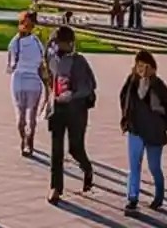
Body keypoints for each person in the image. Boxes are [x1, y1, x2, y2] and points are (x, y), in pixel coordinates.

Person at [118, 50, 167, 214]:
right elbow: (124, 99)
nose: (142, 70)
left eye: (145, 66)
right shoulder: (131, 82)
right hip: (135, 130)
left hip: (153, 133)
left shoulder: (159, 86)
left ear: (152, 68)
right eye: (139, 66)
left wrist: (161, 123)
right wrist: (127, 119)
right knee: (134, 166)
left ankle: (159, 195)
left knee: (154, 167)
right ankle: (132, 198)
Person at [46, 25, 96, 204]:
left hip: (76, 110)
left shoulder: (79, 61)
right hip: (57, 108)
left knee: (75, 148)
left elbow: (88, 86)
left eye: (61, 43)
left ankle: (87, 168)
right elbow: (50, 78)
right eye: (56, 42)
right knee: (56, 150)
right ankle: (55, 188)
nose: (58, 46)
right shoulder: (52, 57)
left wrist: (72, 95)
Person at [6, 11, 50, 157]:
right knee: (30, 116)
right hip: (33, 82)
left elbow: (10, 65)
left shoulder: (14, 42)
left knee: (21, 116)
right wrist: (47, 85)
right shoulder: (37, 43)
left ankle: (25, 141)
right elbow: (42, 66)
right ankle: (28, 143)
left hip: (19, 80)